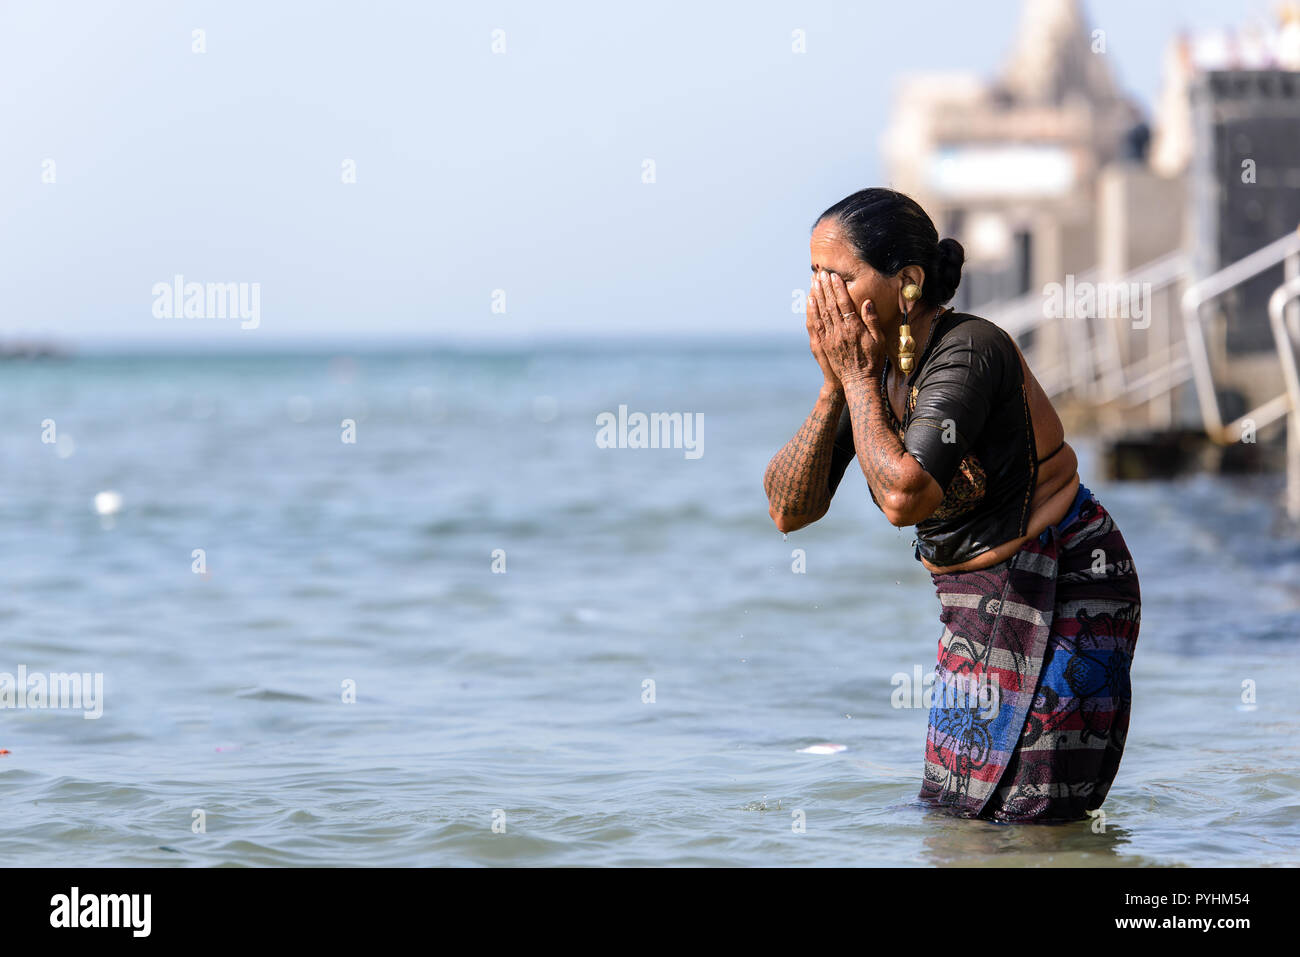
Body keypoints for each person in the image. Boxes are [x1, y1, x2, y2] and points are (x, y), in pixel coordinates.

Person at [763, 188, 1141, 822]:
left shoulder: (969, 351)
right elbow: (788, 510)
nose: (821, 297)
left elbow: (904, 496)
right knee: (956, 814)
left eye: (839, 276)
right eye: (813, 276)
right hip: (973, 608)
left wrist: (855, 379)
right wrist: (836, 387)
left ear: (906, 281)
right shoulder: (871, 371)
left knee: (1035, 819)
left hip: (1066, 586)